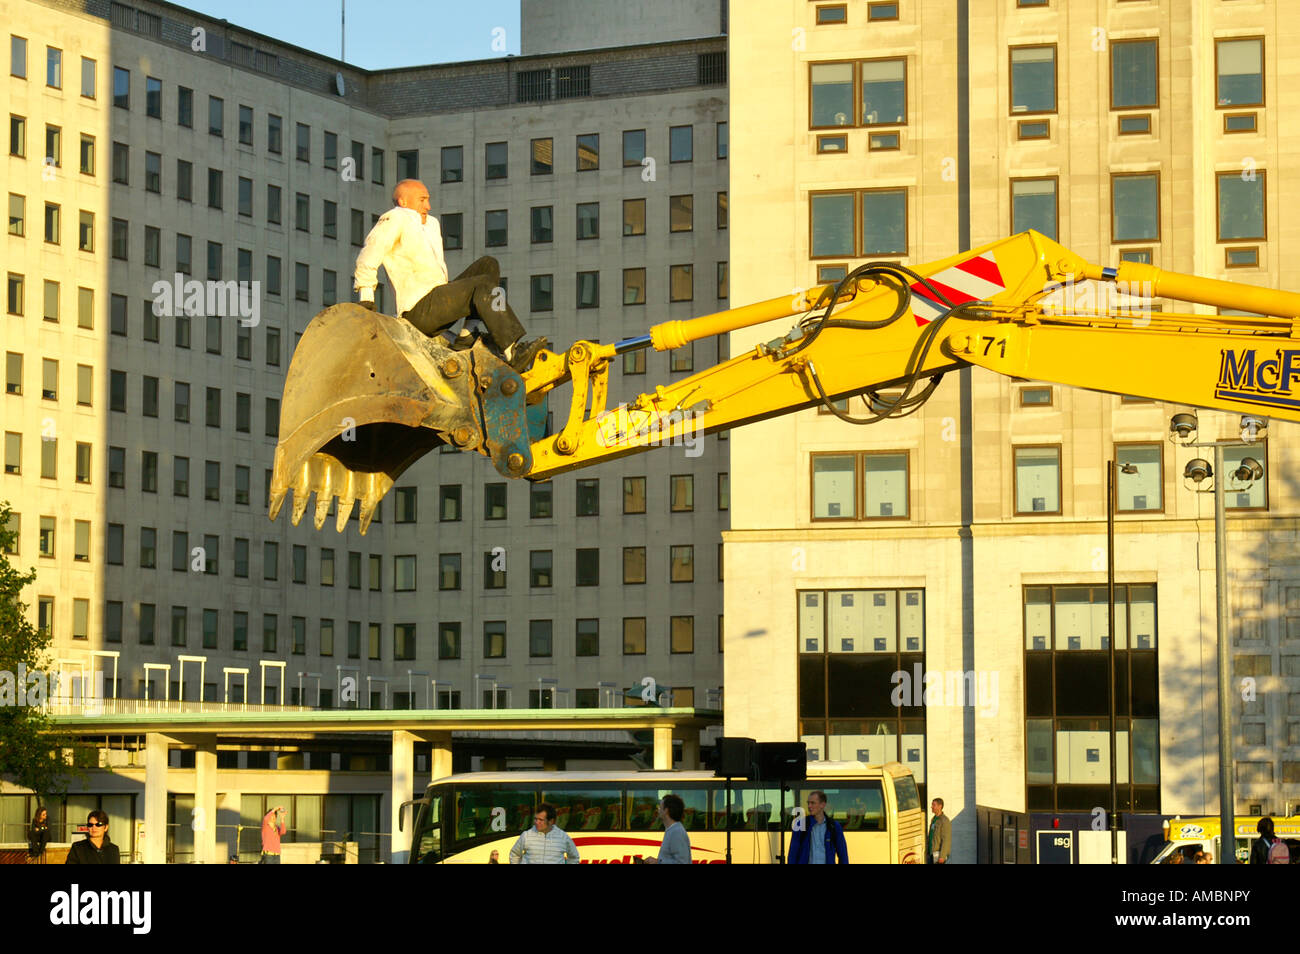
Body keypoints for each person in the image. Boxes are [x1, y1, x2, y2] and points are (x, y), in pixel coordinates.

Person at [353, 179, 546, 373]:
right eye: (422, 200)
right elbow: (370, 253)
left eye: (428, 200)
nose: (427, 206)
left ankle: (466, 335)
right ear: (403, 201)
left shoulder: (432, 224)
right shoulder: (394, 217)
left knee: (488, 265)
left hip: (439, 300)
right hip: (418, 311)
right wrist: (366, 298)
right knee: (483, 285)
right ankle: (511, 351)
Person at [787, 790, 849, 864]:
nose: (809, 806)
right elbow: (793, 854)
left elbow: (843, 854)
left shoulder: (834, 826)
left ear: (822, 805)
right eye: (808, 803)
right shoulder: (800, 824)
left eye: (813, 803)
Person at [508, 804, 580, 864]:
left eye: (541, 820)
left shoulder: (563, 837)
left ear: (551, 821)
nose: (536, 822)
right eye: (535, 819)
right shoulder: (526, 835)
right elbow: (514, 854)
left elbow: (574, 857)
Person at [643, 794, 691, 864]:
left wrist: (657, 862)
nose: (658, 809)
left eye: (660, 807)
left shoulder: (677, 832)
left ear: (666, 810)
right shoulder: (672, 830)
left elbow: (682, 862)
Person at [927, 798, 951, 864]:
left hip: (938, 855)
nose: (931, 807)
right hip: (931, 854)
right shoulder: (934, 819)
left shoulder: (944, 820)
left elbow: (946, 840)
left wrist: (942, 856)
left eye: (933, 805)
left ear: (940, 806)